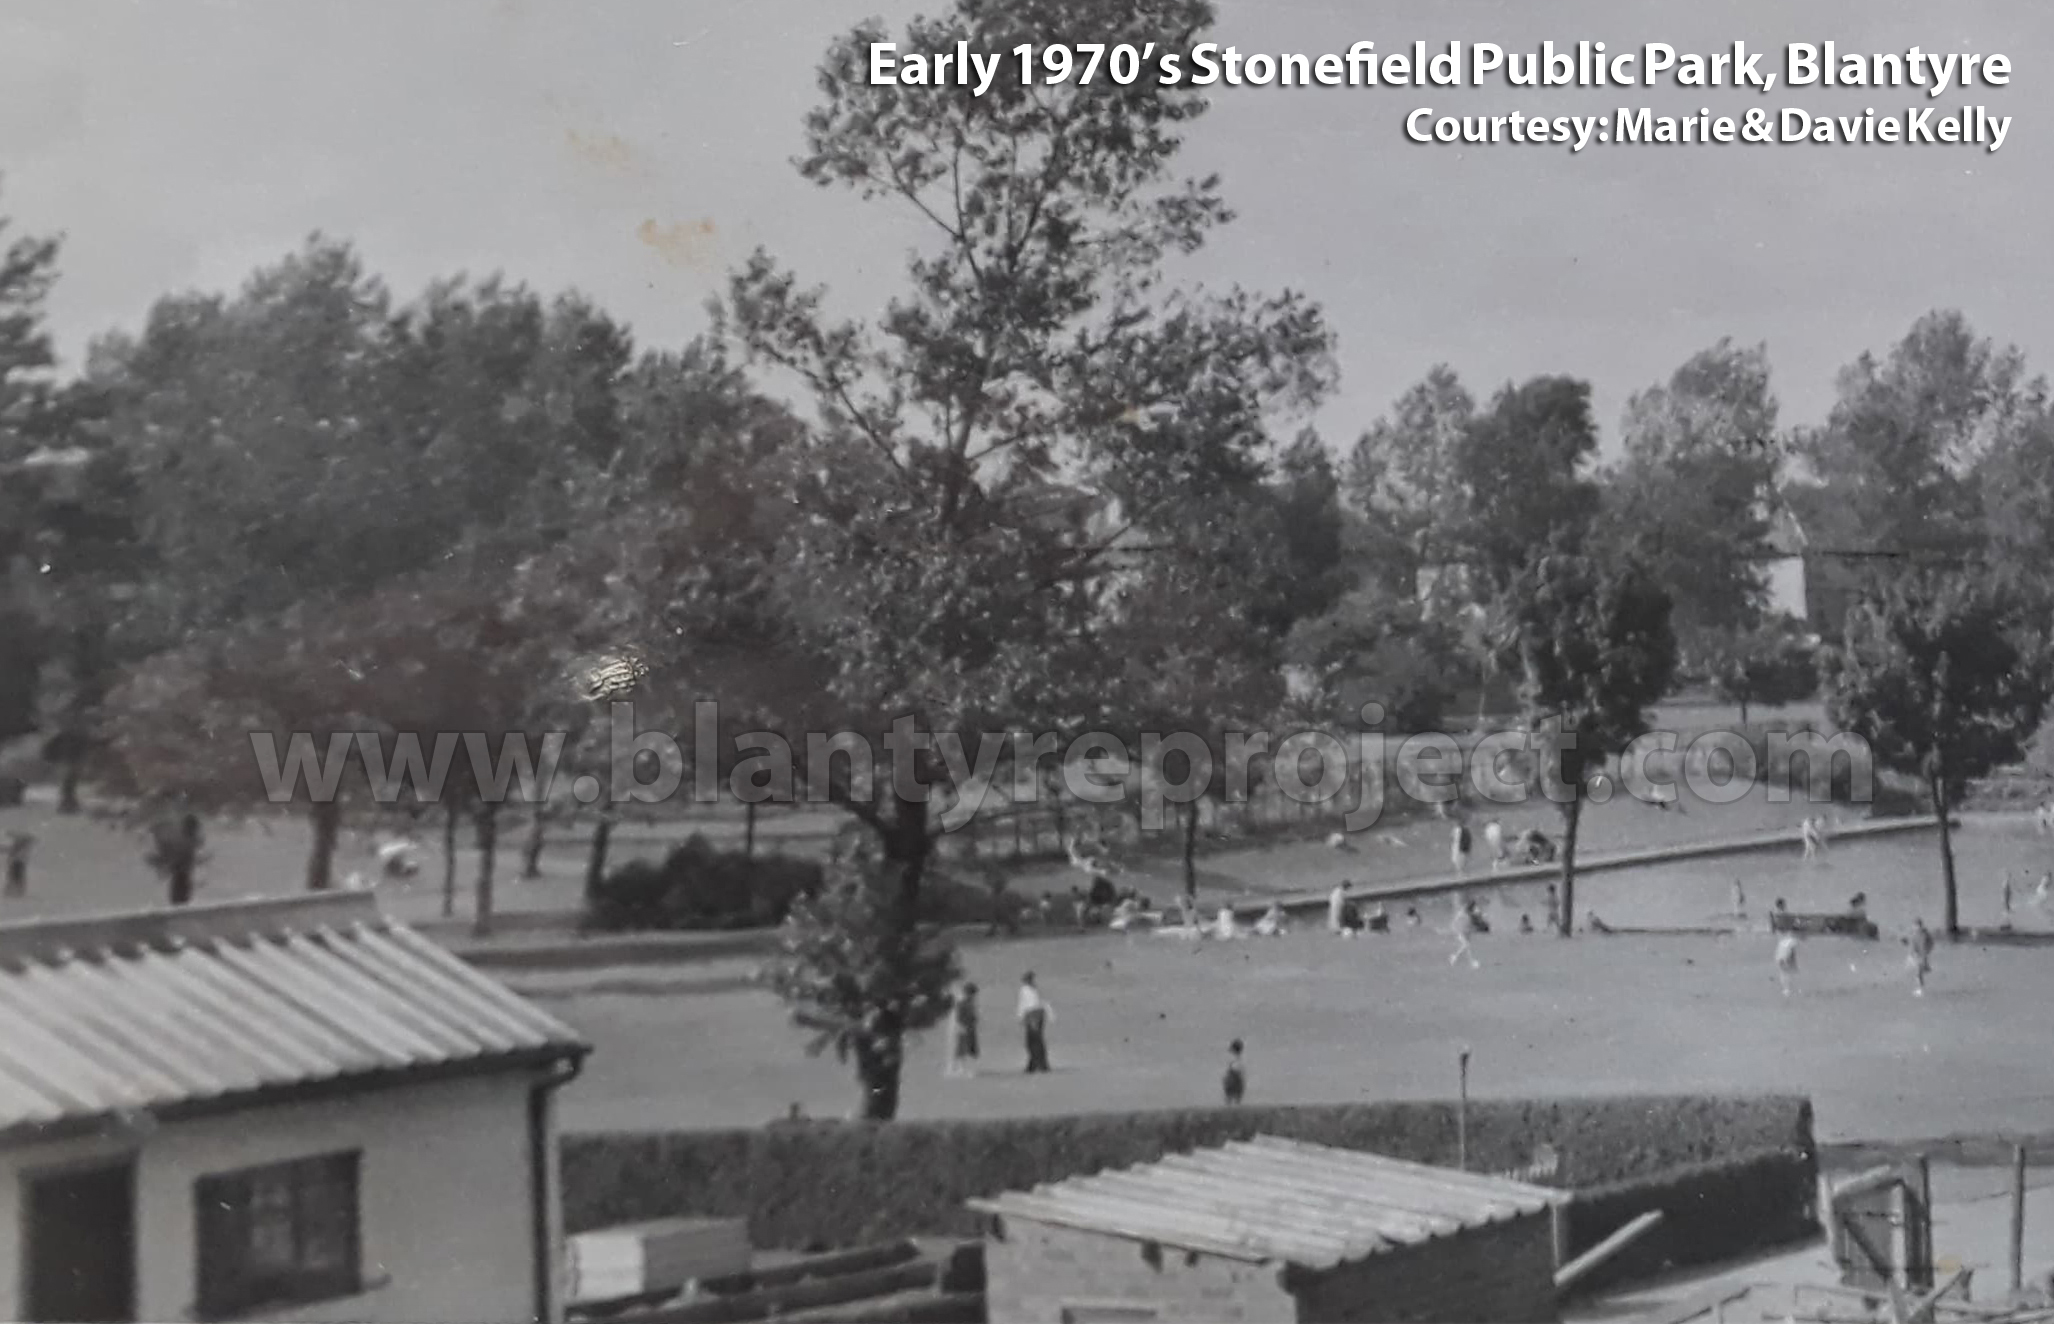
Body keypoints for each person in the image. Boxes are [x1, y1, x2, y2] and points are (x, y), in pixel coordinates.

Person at [1018, 973, 1053, 1074]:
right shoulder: (1034, 989)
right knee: (1037, 1041)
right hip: (1037, 1015)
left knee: (1033, 1041)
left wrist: (1021, 1017)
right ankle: (1039, 1064)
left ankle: (1036, 1064)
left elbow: (1025, 1005)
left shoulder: (1026, 990)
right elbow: (1044, 1003)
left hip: (1033, 1016)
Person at [945, 982, 980, 1078]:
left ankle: (963, 1068)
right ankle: (961, 1068)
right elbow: (960, 1017)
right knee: (963, 1048)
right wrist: (961, 1026)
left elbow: (973, 1016)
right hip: (965, 1028)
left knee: (968, 1048)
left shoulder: (969, 1003)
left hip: (970, 1028)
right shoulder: (963, 1003)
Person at [1449, 898, 1480, 969]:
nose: (1476, 907)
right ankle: (1472, 962)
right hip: (1462, 930)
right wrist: (1454, 926)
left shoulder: (1470, 911)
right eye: (1475, 906)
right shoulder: (1463, 912)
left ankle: (1454, 957)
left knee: (1466, 946)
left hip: (1467, 930)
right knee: (1467, 946)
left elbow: (1476, 916)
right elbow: (1457, 919)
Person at [1907, 919, 1934, 997]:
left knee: (1918, 973)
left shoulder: (1924, 934)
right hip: (1917, 956)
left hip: (1922, 956)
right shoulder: (1916, 934)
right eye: (1915, 926)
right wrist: (1911, 954)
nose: (1915, 927)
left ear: (1919, 925)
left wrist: (1927, 951)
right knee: (1918, 973)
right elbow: (1912, 945)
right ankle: (1919, 989)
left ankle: (1920, 990)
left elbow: (1930, 943)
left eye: (1916, 925)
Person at [3, 832, 31, 898]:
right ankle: (15, 891)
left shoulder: (19, 846)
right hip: (18, 864)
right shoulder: (22, 847)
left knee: (15, 878)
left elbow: (9, 850)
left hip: (17, 864)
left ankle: (12, 891)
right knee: (16, 878)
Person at [1222, 1039, 1247, 1106]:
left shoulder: (1233, 1058)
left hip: (1233, 1079)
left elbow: (1232, 1069)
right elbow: (1239, 1070)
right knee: (1236, 1099)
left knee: (1229, 1099)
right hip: (1236, 1079)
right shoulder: (1239, 1059)